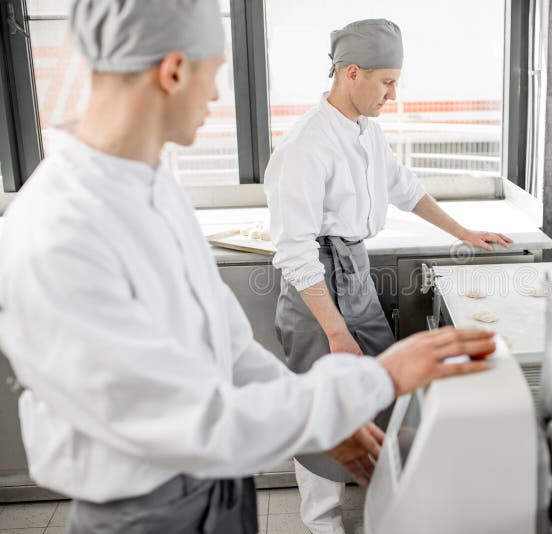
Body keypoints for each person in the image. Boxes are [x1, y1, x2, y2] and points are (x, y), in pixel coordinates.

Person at [0, 3, 495, 533]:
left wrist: (321, 419)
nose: (215, 97)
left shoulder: (154, 187)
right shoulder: (59, 229)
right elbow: (190, 421)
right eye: (214, 75)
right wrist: (371, 383)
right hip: (144, 510)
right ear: (172, 71)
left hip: (219, 484)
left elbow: (229, 349)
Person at [265, 18, 512, 534]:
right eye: (387, 82)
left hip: (354, 276)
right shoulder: (305, 145)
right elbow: (294, 251)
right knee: (323, 407)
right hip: (318, 291)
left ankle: (386, 507)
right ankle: (321, 523)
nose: (393, 95)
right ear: (351, 73)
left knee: (381, 390)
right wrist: (335, 332)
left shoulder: (366, 134)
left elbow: (406, 189)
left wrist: (465, 231)